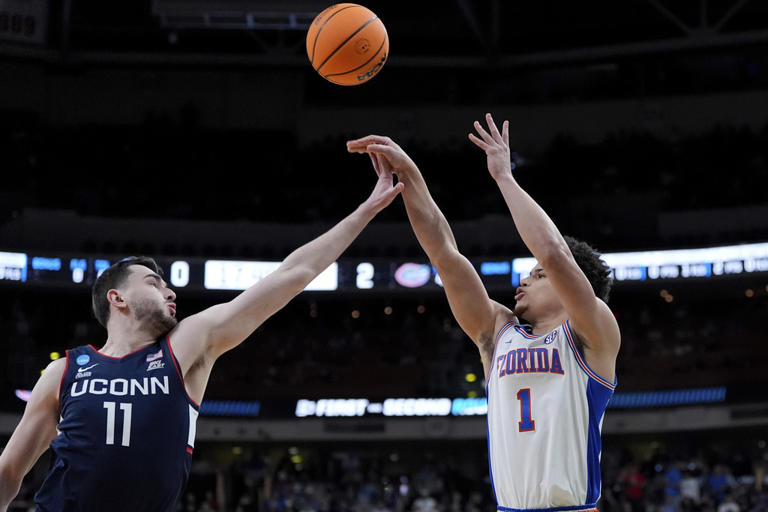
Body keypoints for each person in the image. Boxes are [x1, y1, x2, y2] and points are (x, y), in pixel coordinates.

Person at [0, 161, 404, 512]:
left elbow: (290, 275)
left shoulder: (186, 344)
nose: (170, 292)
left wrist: (366, 210)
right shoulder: (64, 371)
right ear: (117, 297)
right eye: (154, 283)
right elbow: (10, 470)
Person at [347, 113, 620, 512]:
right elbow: (445, 255)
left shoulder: (593, 333)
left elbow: (554, 253)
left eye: (537, 276)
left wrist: (504, 178)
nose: (522, 283)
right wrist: (411, 177)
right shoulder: (497, 329)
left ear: (570, 286)